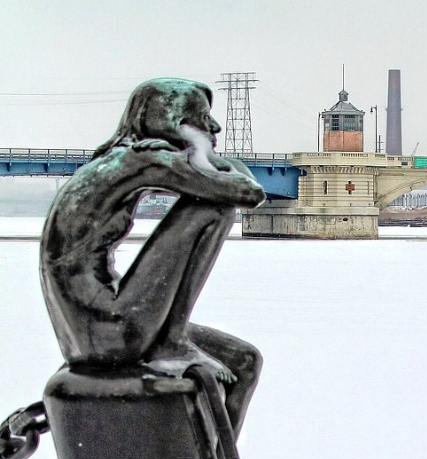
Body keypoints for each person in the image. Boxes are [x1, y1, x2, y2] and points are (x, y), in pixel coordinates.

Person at [40, 77, 265, 435]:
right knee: (214, 209)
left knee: (244, 362)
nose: (215, 126)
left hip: (94, 334)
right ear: (176, 121)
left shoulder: (124, 161)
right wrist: (206, 152)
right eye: (204, 118)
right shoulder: (145, 161)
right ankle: (173, 343)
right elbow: (245, 192)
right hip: (110, 329)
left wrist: (205, 152)